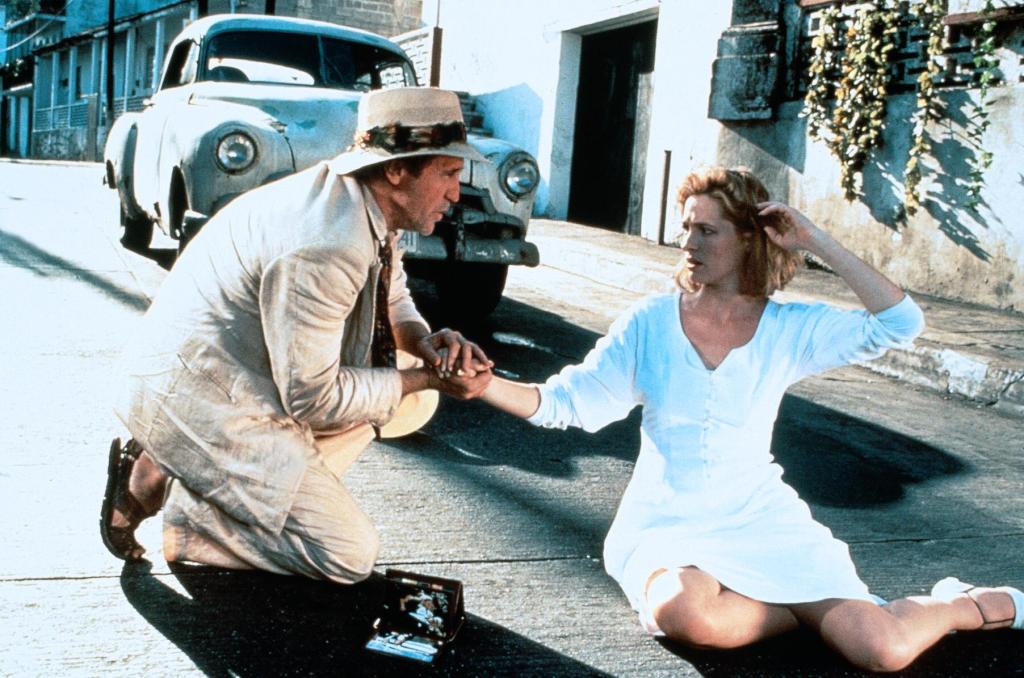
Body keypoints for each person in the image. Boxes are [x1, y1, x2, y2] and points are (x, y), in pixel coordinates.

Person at [477, 167, 1023, 672]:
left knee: (883, 651)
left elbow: (900, 322)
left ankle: (963, 604)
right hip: (667, 524)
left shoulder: (790, 328)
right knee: (685, 615)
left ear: (746, 238)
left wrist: (813, 240)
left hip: (760, 519)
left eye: (706, 231)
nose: (688, 244)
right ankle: (803, 611)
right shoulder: (651, 321)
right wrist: (484, 386)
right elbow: (568, 401)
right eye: (686, 228)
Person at [100, 87, 494, 583]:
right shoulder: (325, 244)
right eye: (449, 174)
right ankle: (188, 504)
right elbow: (314, 399)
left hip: (233, 374)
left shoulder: (360, 200)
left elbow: (392, 296)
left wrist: (426, 343)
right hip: (202, 399)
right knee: (348, 555)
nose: (456, 194)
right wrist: (433, 378)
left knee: (406, 393)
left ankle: (229, 483)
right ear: (396, 171)